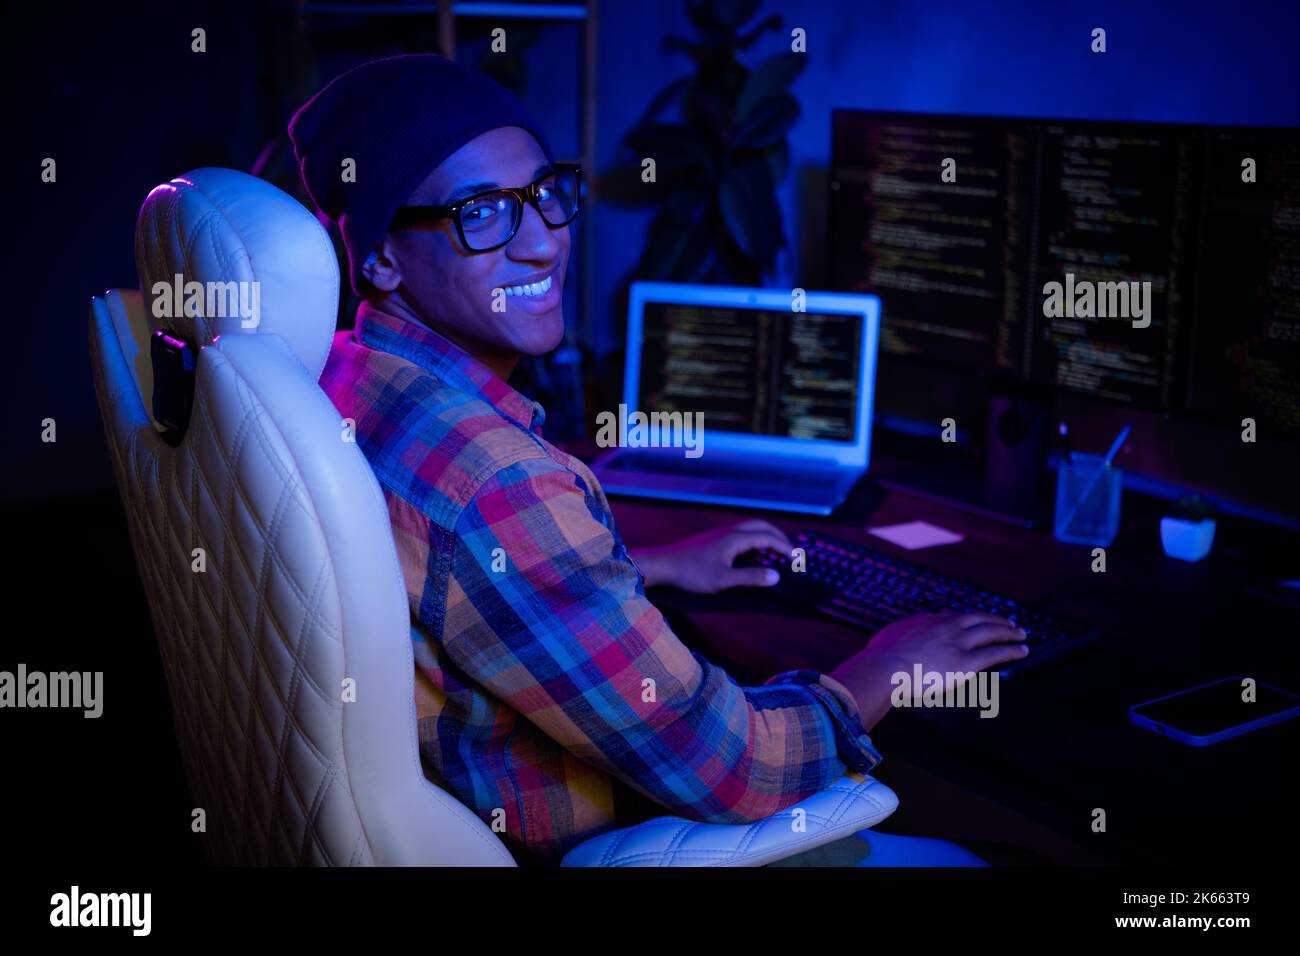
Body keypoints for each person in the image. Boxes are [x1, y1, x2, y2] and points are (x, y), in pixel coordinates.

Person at [288, 53, 1028, 866]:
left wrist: (653, 565)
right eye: (481, 212)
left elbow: (461, 573)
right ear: (381, 256)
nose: (542, 243)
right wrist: (885, 667)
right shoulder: (497, 480)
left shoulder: (345, 373)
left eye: (545, 194)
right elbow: (741, 774)